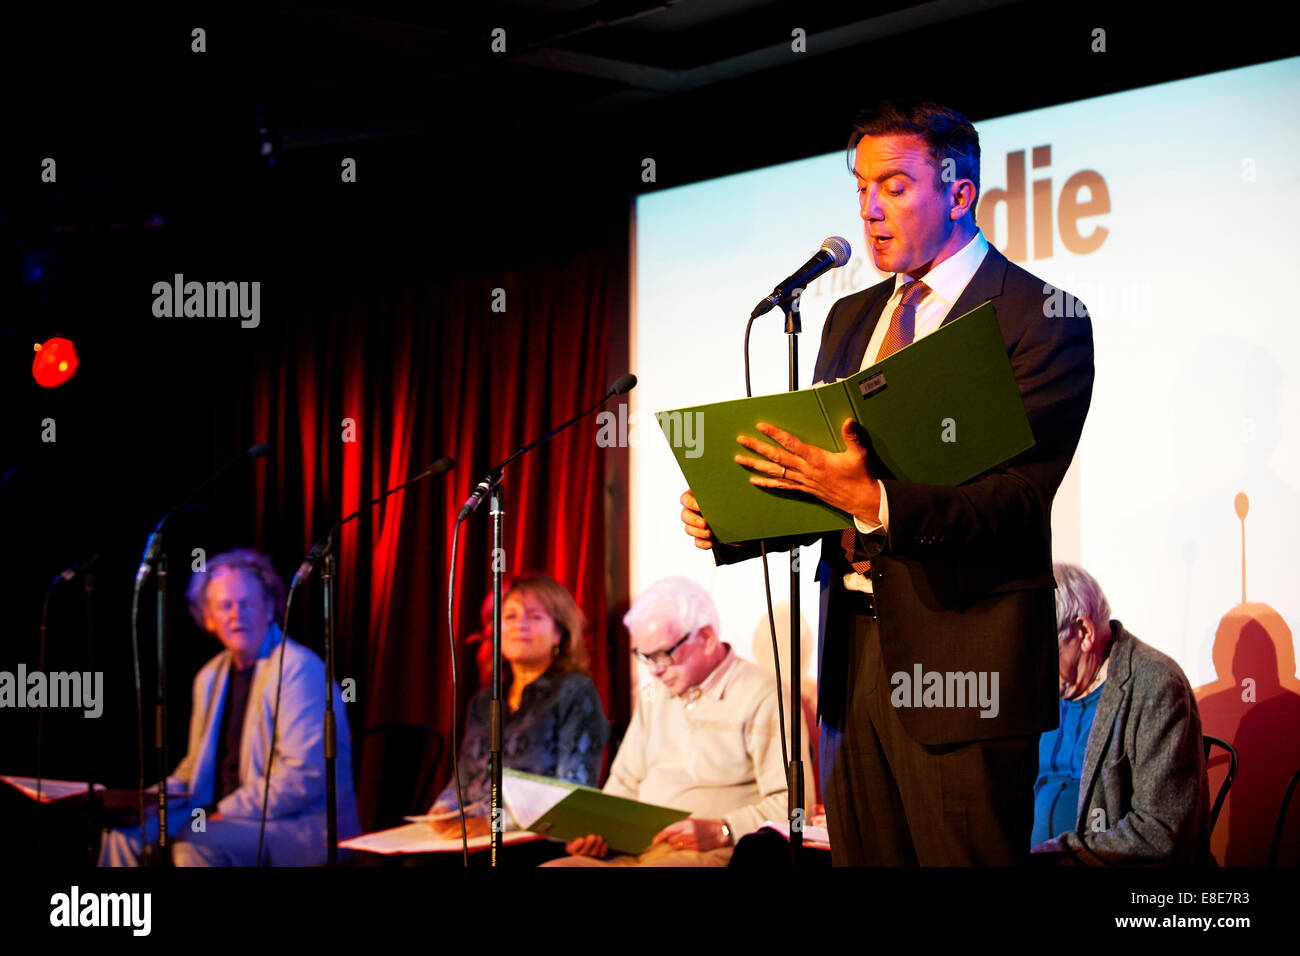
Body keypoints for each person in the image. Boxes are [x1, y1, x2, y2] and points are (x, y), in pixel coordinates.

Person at [681, 99, 1094, 864]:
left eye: (894, 187)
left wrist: (870, 500)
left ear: (960, 194)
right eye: (862, 189)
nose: (870, 210)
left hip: (963, 667)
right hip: (852, 666)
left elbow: (1015, 501)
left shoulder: (1039, 318)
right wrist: (733, 515)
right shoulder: (848, 319)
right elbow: (820, 480)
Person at [99, 548, 360, 866]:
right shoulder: (209, 676)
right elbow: (195, 768)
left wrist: (223, 813)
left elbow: (300, 777)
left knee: (196, 843)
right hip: (223, 814)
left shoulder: (299, 669)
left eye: (246, 603)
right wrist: (153, 800)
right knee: (124, 833)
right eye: (225, 606)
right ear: (208, 618)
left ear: (268, 608)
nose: (236, 615)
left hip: (298, 826)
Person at [544, 576, 788, 867]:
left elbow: (793, 804)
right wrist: (600, 831)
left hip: (711, 852)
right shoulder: (654, 694)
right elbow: (625, 780)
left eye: (662, 655)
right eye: (644, 657)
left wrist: (724, 828)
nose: (655, 671)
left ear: (707, 638)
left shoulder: (763, 694)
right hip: (633, 851)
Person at [1031, 563, 1211, 865]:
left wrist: (1056, 856)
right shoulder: (1048, 690)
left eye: (1044, 650)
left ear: (1084, 632)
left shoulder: (1156, 685)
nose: (1035, 667)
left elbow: (1161, 831)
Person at [426, 572, 609, 841]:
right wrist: (442, 808)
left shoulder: (576, 692)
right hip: (471, 832)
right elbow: (463, 779)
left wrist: (496, 824)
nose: (520, 625)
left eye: (535, 616)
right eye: (509, 616)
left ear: (559, 633)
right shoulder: (482, 702)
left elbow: (573, 793)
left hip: (533, 837)